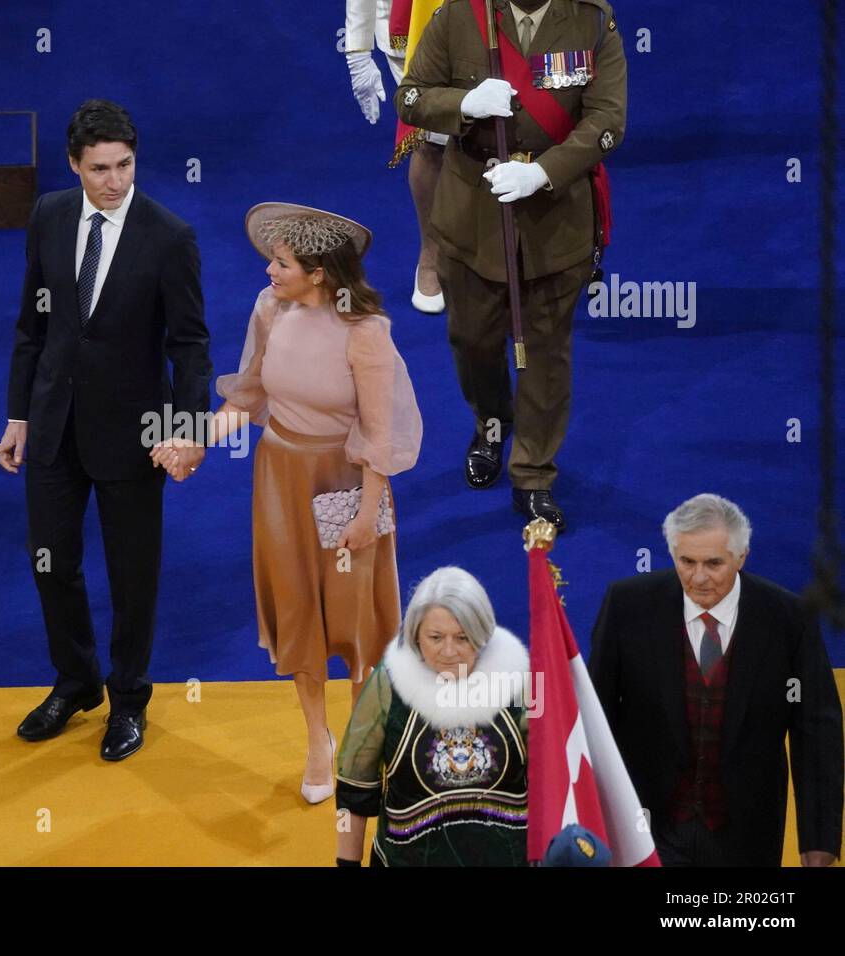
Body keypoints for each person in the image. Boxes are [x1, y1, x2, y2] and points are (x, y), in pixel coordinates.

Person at [0, 99, 212, 763]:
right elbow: (34, 324)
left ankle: (129, 698)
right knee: (50, 562)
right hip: (54, 425)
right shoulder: (49, 215)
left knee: (132, 576)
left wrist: (189, 428)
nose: (114, 180)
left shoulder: (170, 236)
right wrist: (18, 414)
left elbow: (190, 345)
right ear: (75, 166)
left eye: (125, 165)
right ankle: (77, 680)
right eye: (100, 168)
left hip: (136, 434)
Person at [174, 202, 421, 803]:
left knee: (356, 615)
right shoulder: (269, 310)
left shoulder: (366, 332)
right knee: (298, 613)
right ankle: (318, 738)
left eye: (280, 263)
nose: (268, 272)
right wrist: (194, 441)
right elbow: (247, 398)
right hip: (280, 478)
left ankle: (366, 737)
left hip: (345, 479)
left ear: (318, 272)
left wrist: (367, 514)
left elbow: (378, 434)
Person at [396, 0, 627, 531]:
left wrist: (543, 172)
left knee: (546, 353)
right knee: (474, 341)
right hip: (471, 214)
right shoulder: (458, 16)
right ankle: (492, 423)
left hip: (556, 213)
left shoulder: (591, 19)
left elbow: (607, 118)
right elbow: (410, 98)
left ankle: (534, 474)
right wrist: (465, 104)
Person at [589, 493, 844, 867]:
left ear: (741, 557)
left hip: (747, 835)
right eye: (686, 561)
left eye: (714, 563)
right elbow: (597, 717)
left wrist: (818, 840)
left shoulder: (789, 619)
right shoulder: (627, 606)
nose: (698, 577)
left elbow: (816, 735)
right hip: (648, 828)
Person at [335, 566, 529, 865]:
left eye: (463, 638)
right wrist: (345, 865)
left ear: (483, 634)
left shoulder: (523, 684)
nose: (448, 651)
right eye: (435, 637)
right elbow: (353, 792)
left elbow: (558, 779)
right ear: (414, 635)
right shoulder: (388, 685)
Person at [343, 0, 448, 312]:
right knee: (432, 141)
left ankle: (491, 254)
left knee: (489, 141)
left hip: (492, 24)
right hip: (412, 30)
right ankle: (432, 255)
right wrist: (358, 53)